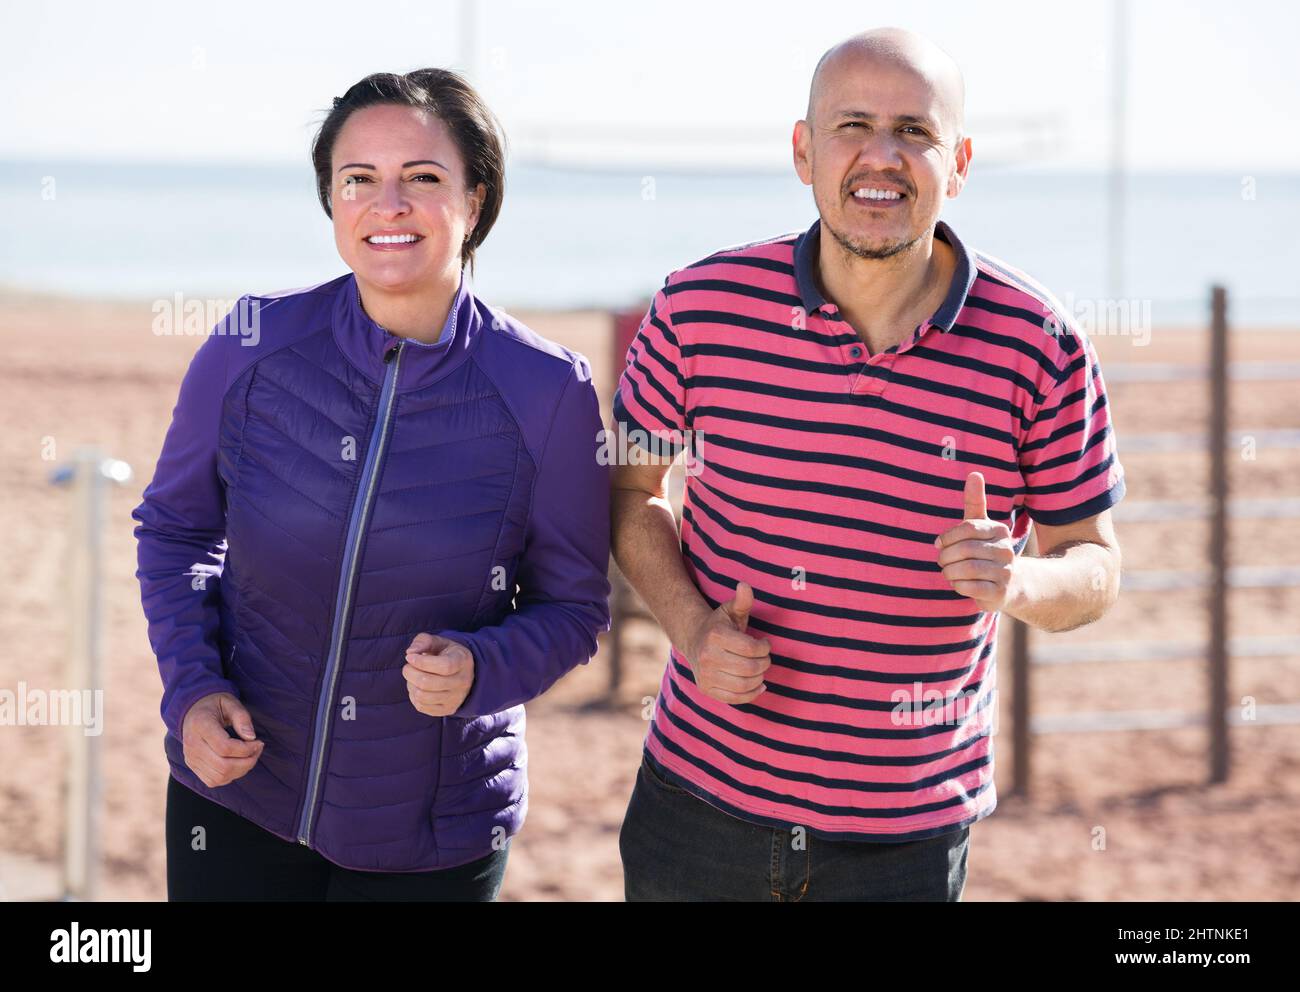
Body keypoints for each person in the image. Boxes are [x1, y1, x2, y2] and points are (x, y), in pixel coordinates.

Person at [611, 27, 1125, 901]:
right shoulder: (699, 306)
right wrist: (695, 630)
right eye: (851, 125)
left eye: (914, 132)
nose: (880, 157)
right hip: (696, 811)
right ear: (804, 150)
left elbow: (1098, 562)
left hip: (908, 842)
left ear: (956, 163)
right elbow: (627, 492)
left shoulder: (1039, 342)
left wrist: (1019, 584)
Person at [133, 69, 611, 901]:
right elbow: (175, 532)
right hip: (234, 798)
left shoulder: (548, 391)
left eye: (422, 178)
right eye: (359, 179)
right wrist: (194, 691)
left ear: (475, 199)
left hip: (434, 836)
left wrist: (482, 665)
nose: (387, 204)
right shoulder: (252, 345)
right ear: (332, 200)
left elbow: (573, 607)